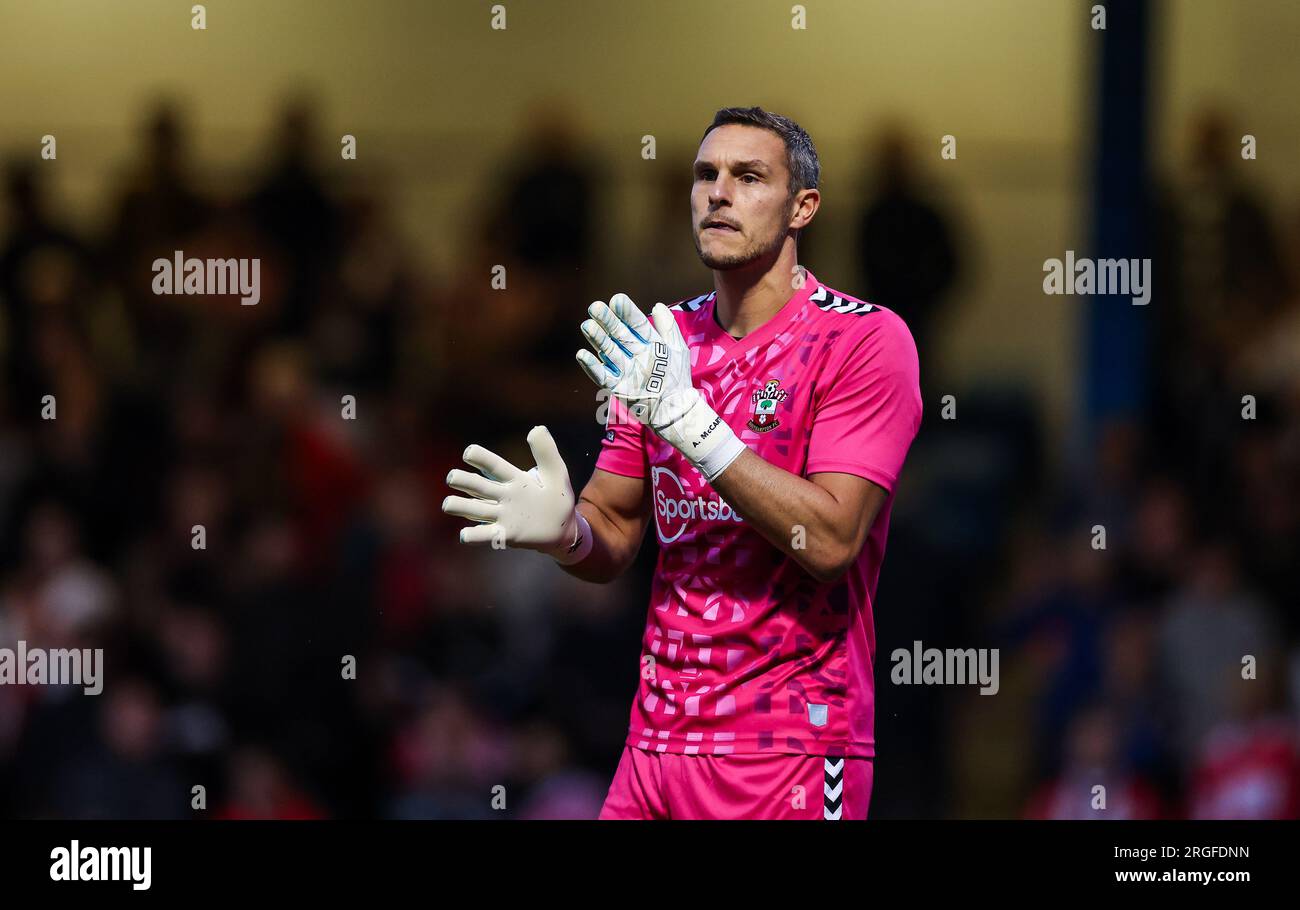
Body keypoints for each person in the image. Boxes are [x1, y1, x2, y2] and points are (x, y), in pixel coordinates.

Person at [443, 107, 922, 819]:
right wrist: (567, 535)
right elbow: (614, 528)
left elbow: (829, 541)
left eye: (748, 177)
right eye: (706, 175)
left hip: (788, 749)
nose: (718, 192)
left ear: (802, 208)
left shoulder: (863, 341)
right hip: (654, 746)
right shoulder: (660, 342)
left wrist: (692, 425)